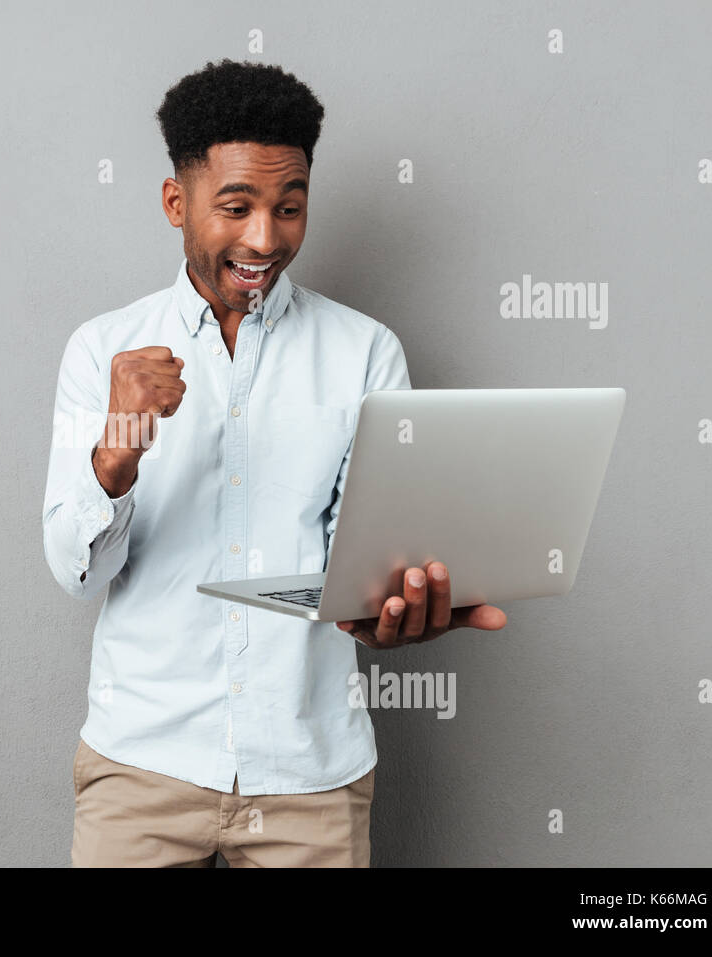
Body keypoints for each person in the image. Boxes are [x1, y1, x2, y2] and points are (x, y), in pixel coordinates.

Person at [41, 59, 507, 868]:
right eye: (237, 206)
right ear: (175, 202)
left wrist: (389, 610)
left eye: (289, 208)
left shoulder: (365, 353)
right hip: (141, 763)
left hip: (310, 772)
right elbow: (77, 574)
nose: (265, 238)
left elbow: (360, 562)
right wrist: (115, 452)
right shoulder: (100, 350)